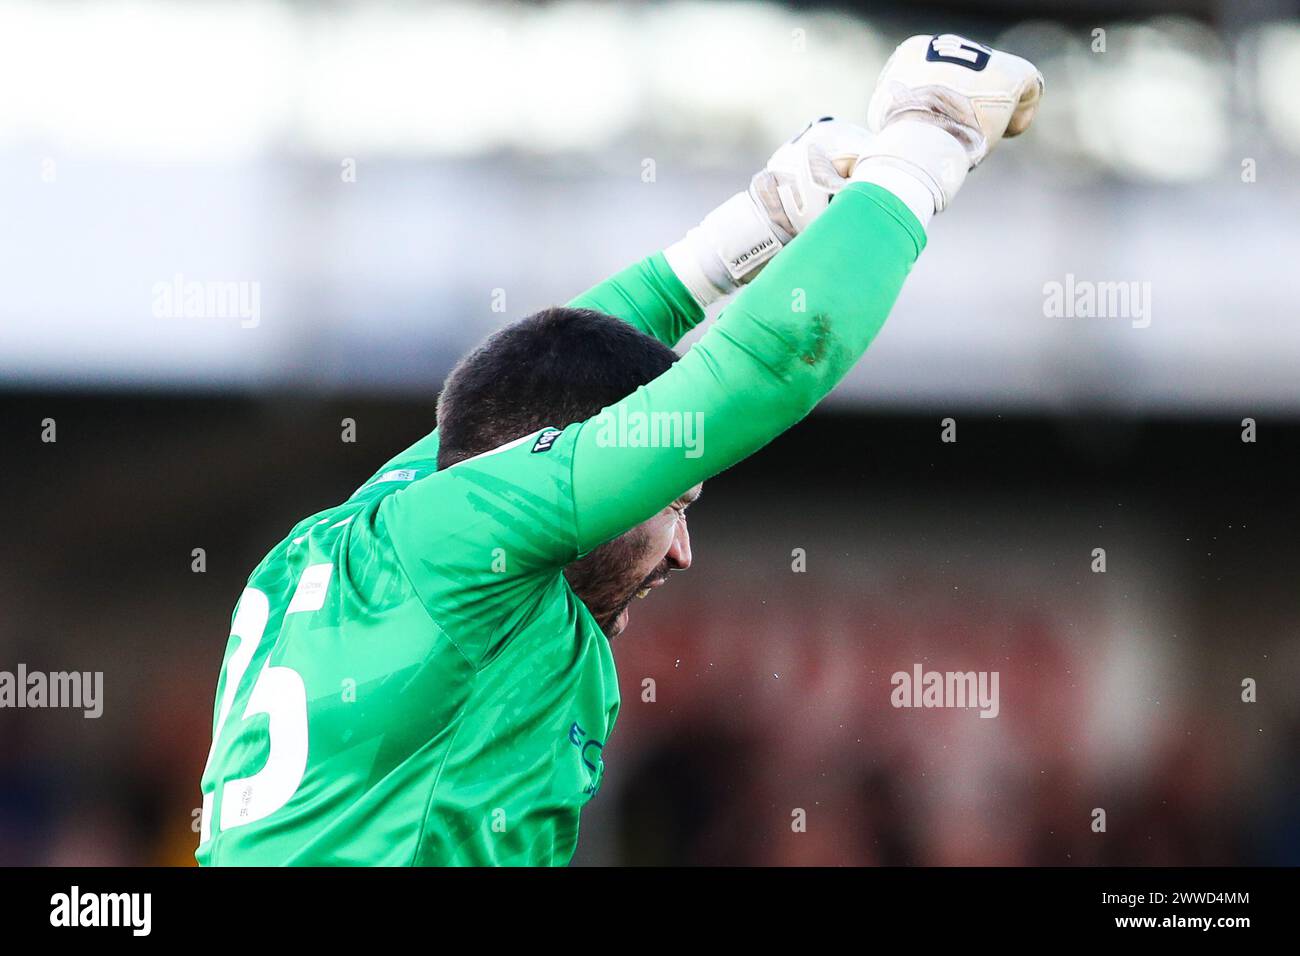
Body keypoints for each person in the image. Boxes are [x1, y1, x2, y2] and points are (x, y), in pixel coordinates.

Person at [197, 34, 1043, 866]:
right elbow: (771, 364)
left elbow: (540, 373)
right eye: (674, 501)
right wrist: (928, 145)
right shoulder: (463, 544)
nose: (682, 548)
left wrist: (751, 229)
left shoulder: (361, 533)